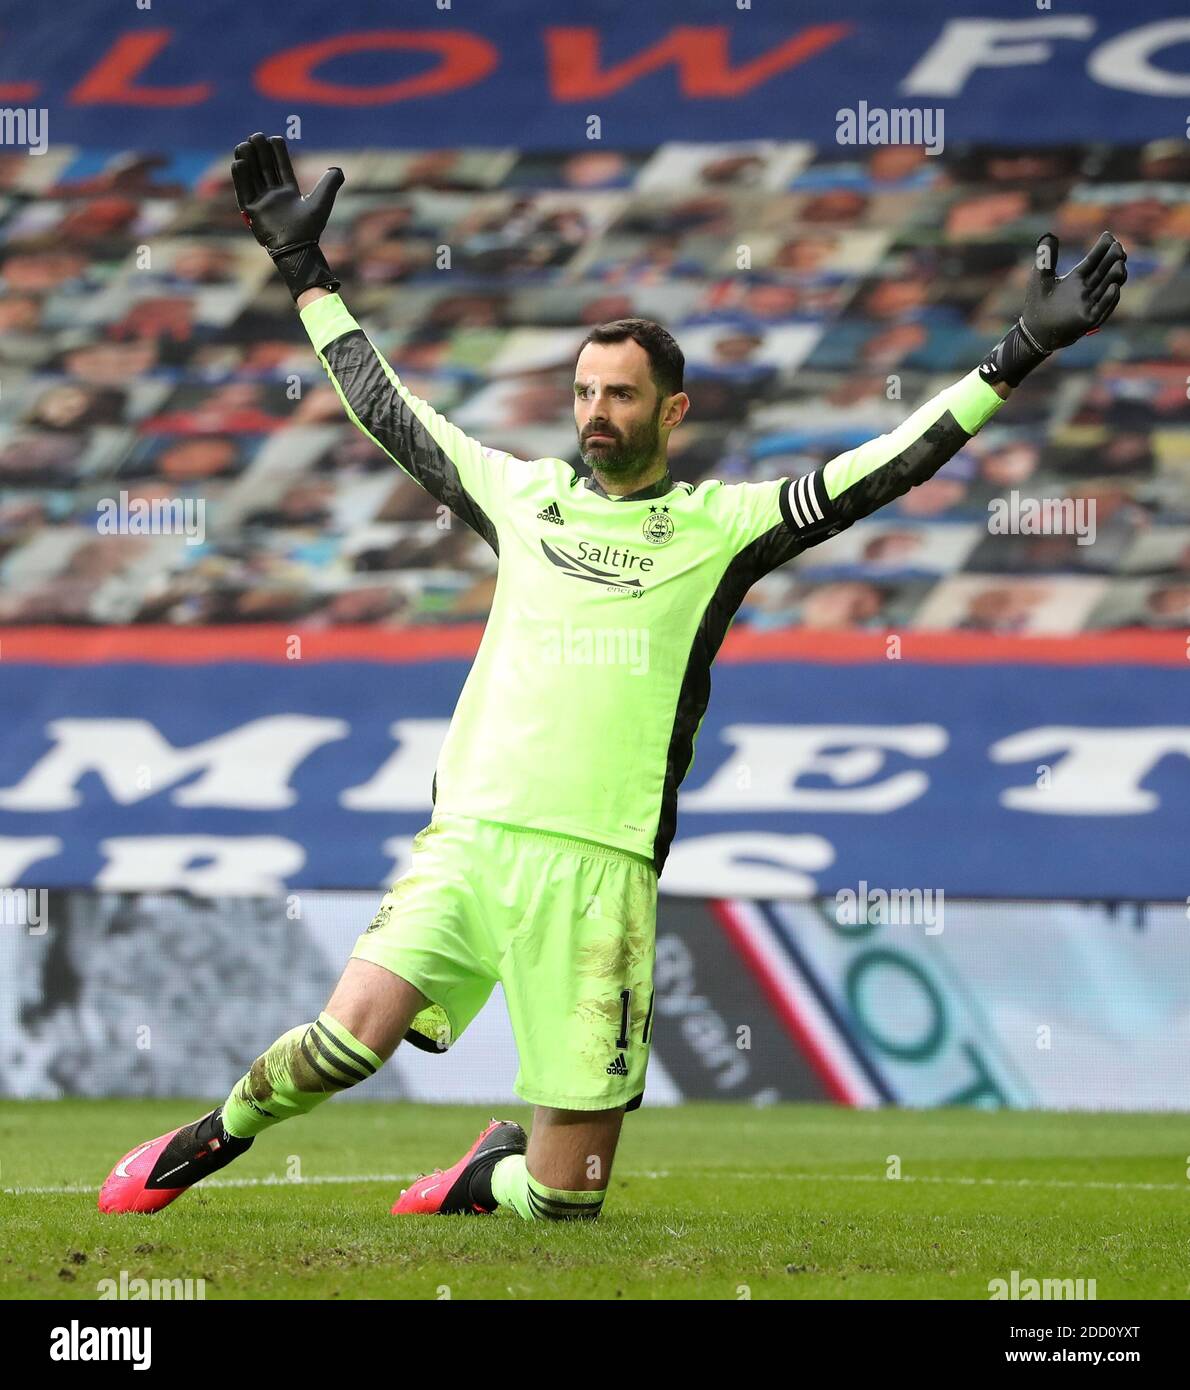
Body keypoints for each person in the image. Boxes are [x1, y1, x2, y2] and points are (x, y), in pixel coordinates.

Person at [99, 133, 1128, 1223]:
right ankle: (207, 1140)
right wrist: (306, 274)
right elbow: (385, 406)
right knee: (343, 1041)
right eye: (585, 390)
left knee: (562, 1204)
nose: (595, 412)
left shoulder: (721, 527)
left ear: (670, 412)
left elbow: (884, 468)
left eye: (621, 395)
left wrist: (1012, 353)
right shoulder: (522, 496)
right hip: (475, 838)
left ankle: (485, 1173)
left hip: (602, 873)